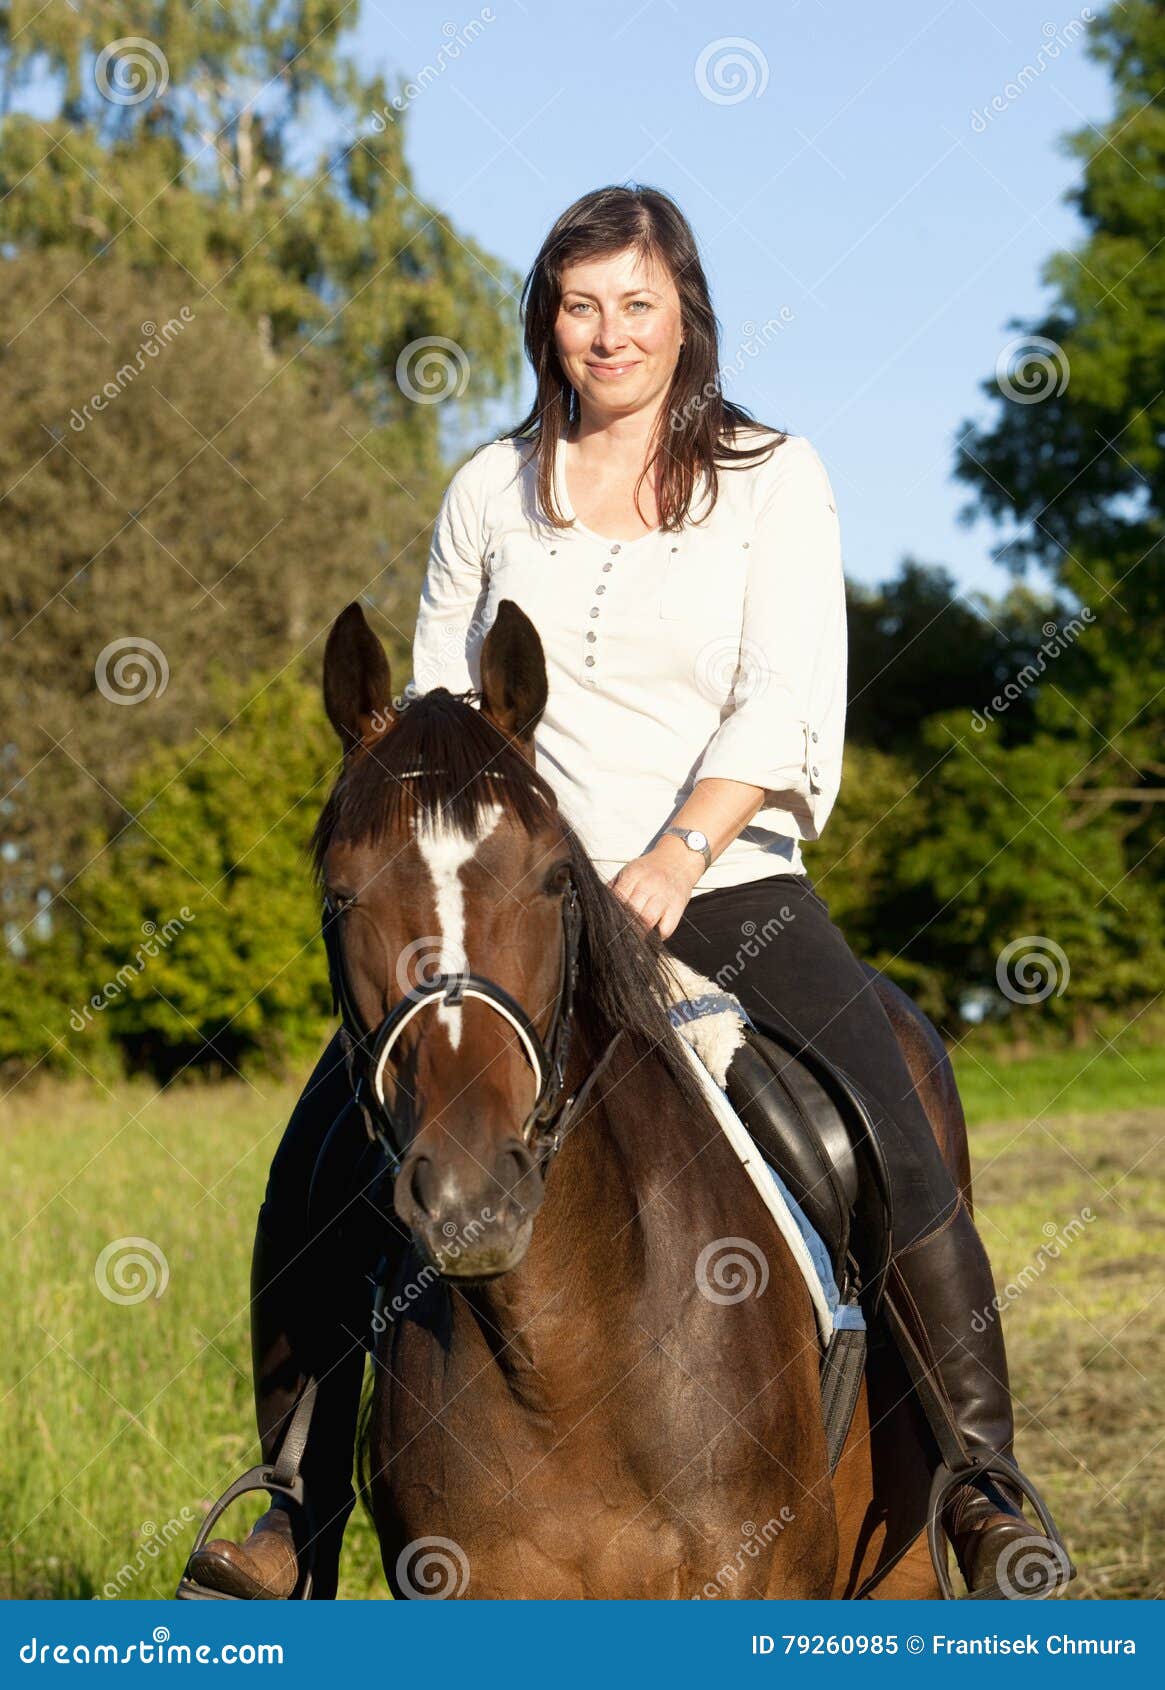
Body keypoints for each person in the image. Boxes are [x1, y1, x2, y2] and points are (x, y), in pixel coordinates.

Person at [187, 184, 1068, 1601]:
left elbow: (784, 693)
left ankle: (977, 1477)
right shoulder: (487, 489)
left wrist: (673, 851)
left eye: (635, 305)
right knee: (325, 1147)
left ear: (683, 317)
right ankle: (291, 1505)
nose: (608, 334)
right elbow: (437, 712)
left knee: (882, 1104)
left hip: (719, 883)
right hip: (517, 901)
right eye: (580, 305)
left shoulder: (772, 475)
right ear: (549, 321)